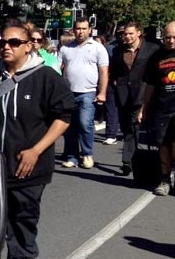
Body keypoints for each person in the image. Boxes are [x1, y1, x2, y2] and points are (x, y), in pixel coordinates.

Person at [0, 21, 73, 259]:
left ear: (28, 46)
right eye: (3, 42)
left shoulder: (46, 77)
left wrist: (36, 150)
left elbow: (63, 118)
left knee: (22, 221)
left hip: (29, 167)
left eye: (14, 42)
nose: (7, 47)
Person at [107, 21, 158, 175]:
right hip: (123, 94)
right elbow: (114, 70)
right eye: (125, 34)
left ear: (138, 33)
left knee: (133, 126)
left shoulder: (151, 49)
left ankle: (127, 161)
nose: (127, 36)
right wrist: (115, 82)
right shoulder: (118, 50)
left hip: (142, 93)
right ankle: (132, 159)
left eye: (130, 33)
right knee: (126, 126)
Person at [59, 19, 109, 169]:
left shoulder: (98, 48)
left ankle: (87, 154)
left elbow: (103, 72)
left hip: (88, 92)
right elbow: (57, 69)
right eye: (78, 28)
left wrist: (102, 93)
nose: (81, 31)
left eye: (84, 28)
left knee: (85, 124)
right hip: (68, 94)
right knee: (69, 127)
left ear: (90, 30)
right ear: (73, 30)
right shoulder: (65, 48)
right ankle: (72, 156)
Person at [137, 21, 175, 195]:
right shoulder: (156, 57)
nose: (171, 41)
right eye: (168, 37)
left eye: (174, 37)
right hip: (162, 109)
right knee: (163, 146)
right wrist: (143, 109)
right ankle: (164, 180)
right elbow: (150, 85)